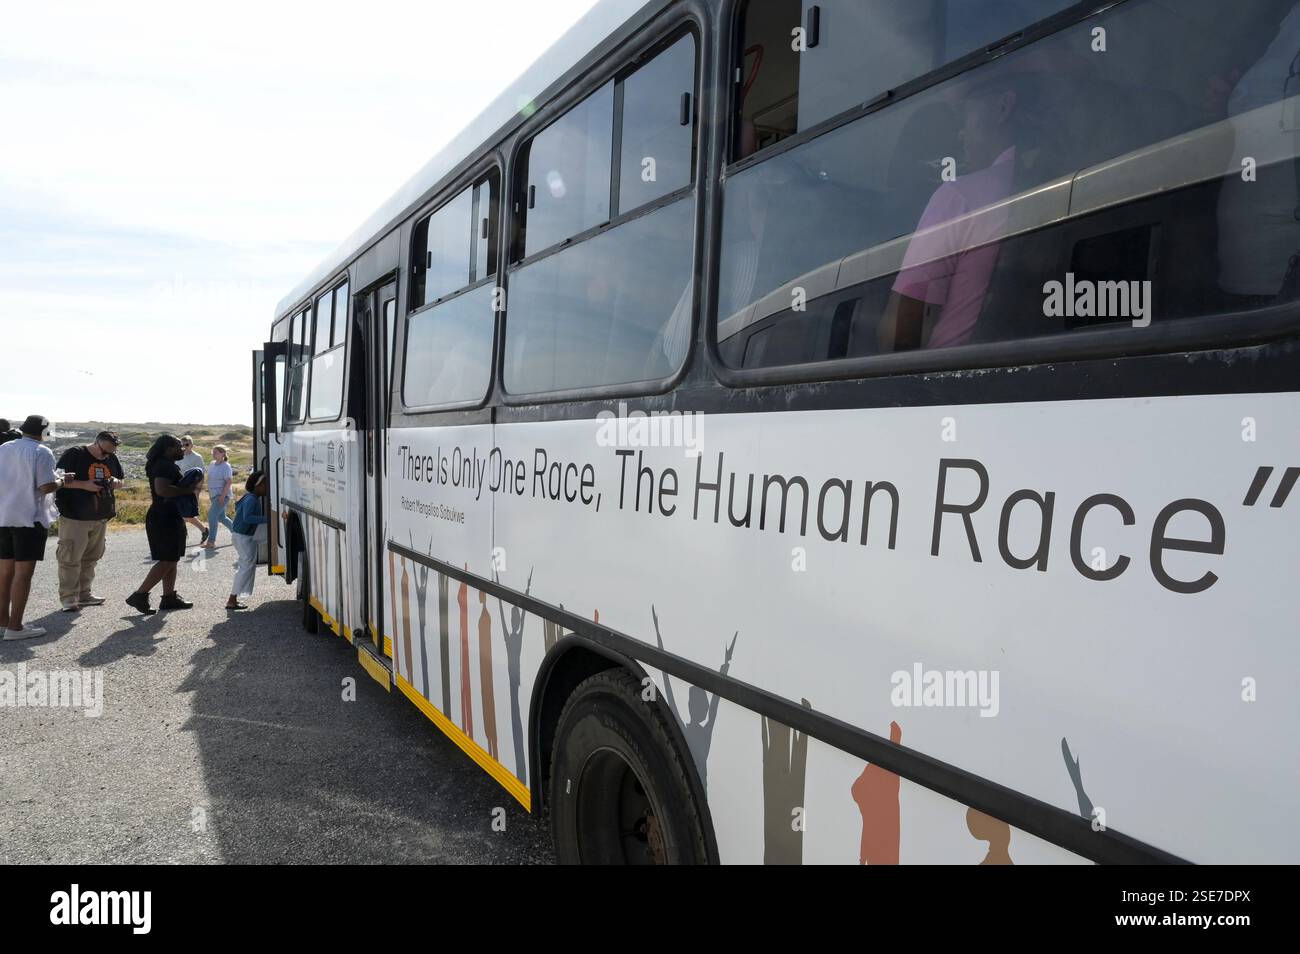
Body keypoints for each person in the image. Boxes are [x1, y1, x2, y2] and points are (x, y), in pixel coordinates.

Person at [0, 415, 65, 640]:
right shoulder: (41, 451)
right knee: (23, 574)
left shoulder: (5, 447)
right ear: (45, 432)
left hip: (4, 515)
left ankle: (2, 622)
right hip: (30, 517)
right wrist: (63, 481)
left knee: (5, 571)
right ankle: (15, 627)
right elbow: (46, 486)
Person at [54, 430, 125, 612]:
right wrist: (83, 484)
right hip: (75, 516)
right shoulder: (75, 454)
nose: (107, 456)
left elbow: (121, 479)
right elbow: (56, 479)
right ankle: (69, 599)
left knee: (91, 558)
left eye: (111, 453)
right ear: (96, 442)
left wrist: (116, 481)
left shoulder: (111, 457)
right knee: (70, 558)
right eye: (105, 451)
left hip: (100, 515)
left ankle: (84, 594)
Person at [125, 435, 197, 615]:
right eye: (178, 447)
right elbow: (162, 489)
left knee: (172, 559)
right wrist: (188, 490)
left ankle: (169, 598)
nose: (182, 450)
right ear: (168, 448)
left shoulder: (165, 464)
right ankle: (140, 595)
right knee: (167, 560)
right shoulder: (163, 465)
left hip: (169, 515)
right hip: (163, 517)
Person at [225, 471, 267, 610]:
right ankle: (232, 599)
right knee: (246, 567)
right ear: (257, 485)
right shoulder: (252, 499)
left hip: (242, 536)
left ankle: (234, 598)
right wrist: (269, 519)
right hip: (243, 538)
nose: (267, 487)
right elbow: (247, 518)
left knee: (246, 566)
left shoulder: (250, 497)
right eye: (265, 484)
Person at [202, 445, 235, 550]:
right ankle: (238, 534)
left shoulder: (226, 466)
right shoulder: (212, 464)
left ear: (223, 454)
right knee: (222, 517)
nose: (213, 454)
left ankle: (211, 542)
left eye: (215, 452)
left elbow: (229, 482)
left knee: (212, 516)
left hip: (222, 495)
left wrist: (222, 496)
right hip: (213, 495)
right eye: (213, 452)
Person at [178, 435, 208, 545]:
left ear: (191, 445)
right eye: (182, 445)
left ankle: (204, 530)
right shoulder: (178, 456)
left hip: (190, 488)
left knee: (187, 514)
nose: (184, 447)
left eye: (186, 444)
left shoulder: (197, 457)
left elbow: (201, 474)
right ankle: (182, 536)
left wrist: (197, 490)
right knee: (180, 513)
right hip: (178, 488)